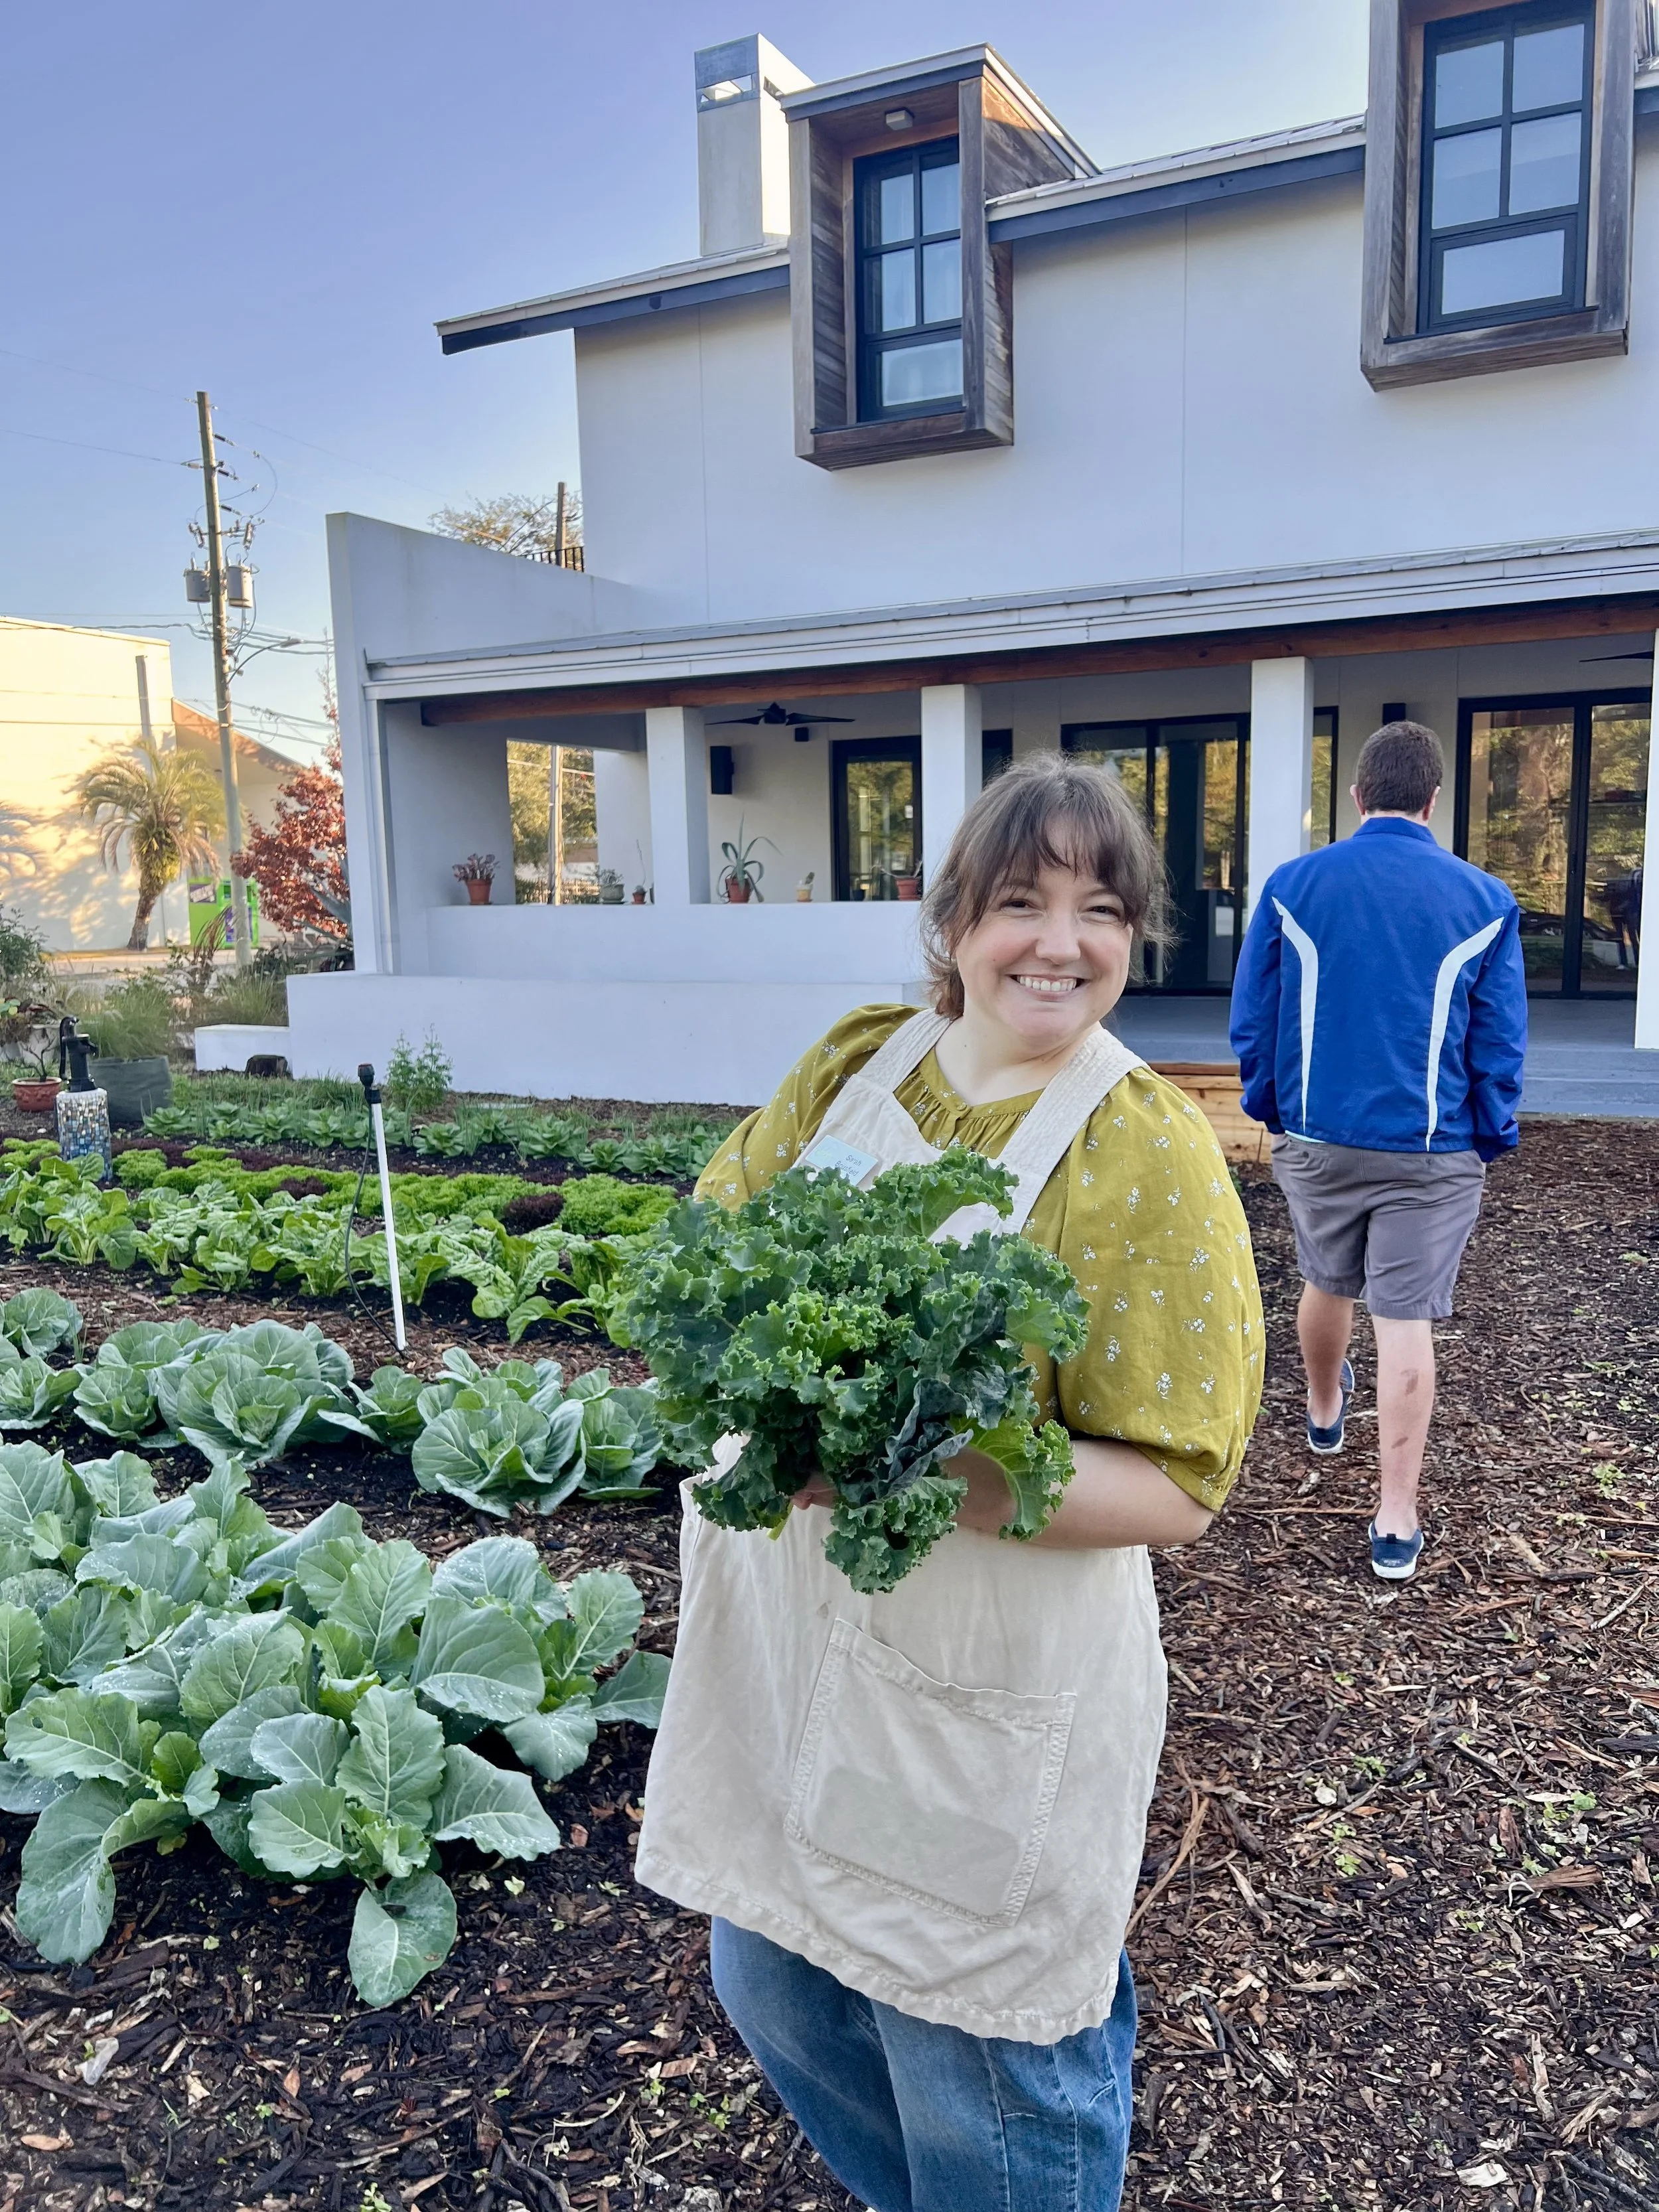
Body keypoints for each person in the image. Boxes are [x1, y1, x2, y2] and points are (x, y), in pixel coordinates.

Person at [636, 754, 1263, 2212]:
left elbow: (1178, 1487)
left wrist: (911, 1465)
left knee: (970, 2051)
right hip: (795, 1652)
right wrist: (761, 1396)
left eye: (1102, 909)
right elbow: (710, 1255)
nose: (1061, 940)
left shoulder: (1142, 1149)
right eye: (1023, 900)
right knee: (775, 1975)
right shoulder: (856, 1064)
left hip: (980, 1687)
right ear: (953, 922)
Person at [1229, 717, 1526, 1582]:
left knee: (1326, 1279)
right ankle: (1394, 1520)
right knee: (1405, 1319)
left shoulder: (1295, 884)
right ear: (1434, 801)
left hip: (1318, 1136)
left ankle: (1325, 1414)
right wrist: (1492, 1130)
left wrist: (1271, 1110)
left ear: (1358, 796)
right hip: (1434, 1150)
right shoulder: (1486, 898)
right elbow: (1497, 1043)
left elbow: (1255, 1018)